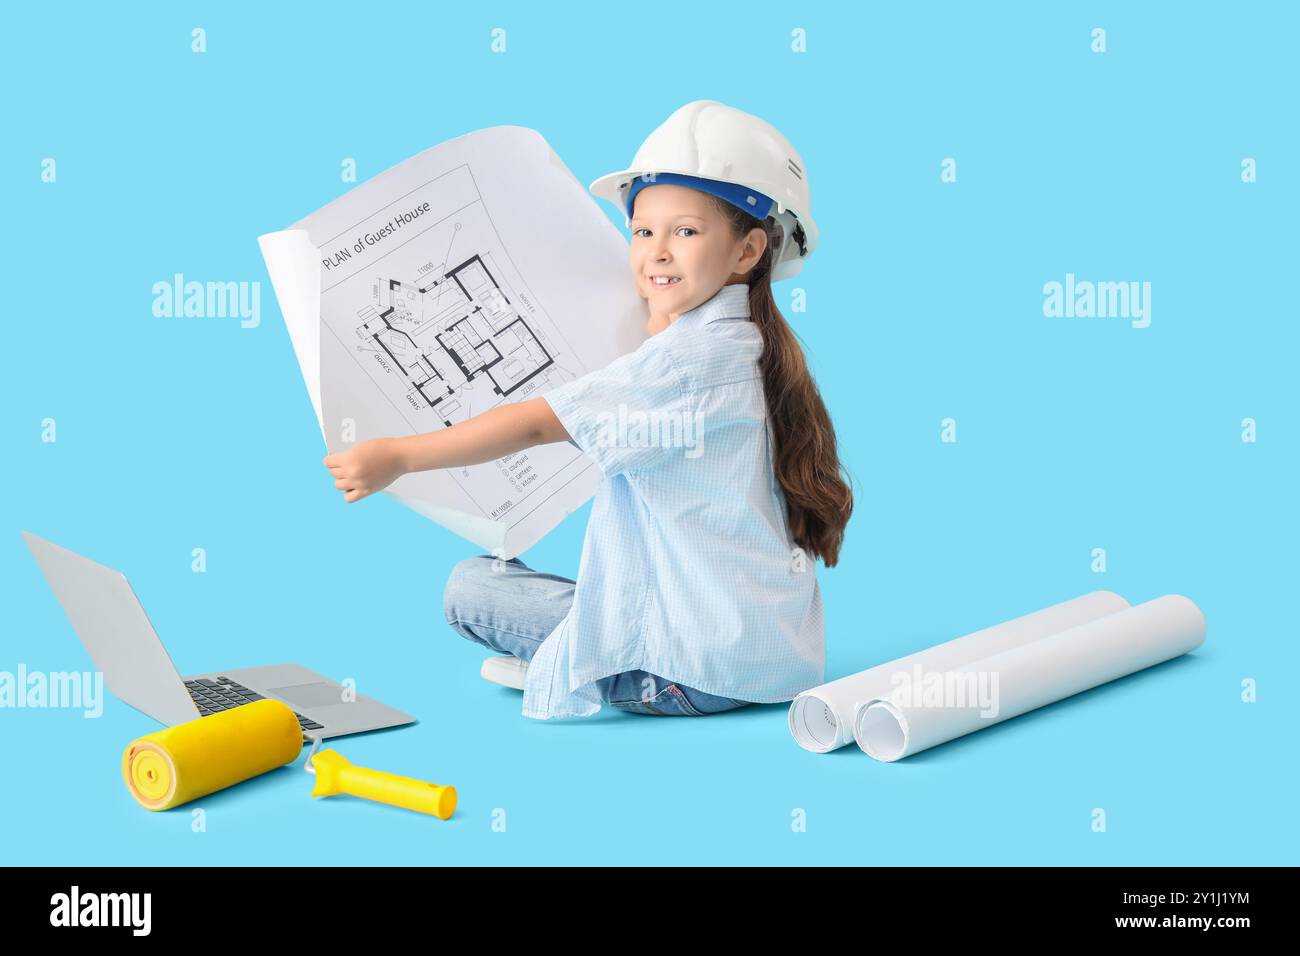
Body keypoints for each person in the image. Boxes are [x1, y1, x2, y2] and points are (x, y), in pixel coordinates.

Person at [322, 100, 853, 719]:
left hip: (684, 674)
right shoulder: (743, 346)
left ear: (747, 251)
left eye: (684, 232)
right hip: (769, 660)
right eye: (643, 231)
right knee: (567, 583)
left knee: (472, 587)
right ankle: (577, 653)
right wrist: (661, 315)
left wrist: (399, 457)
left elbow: (538, 422)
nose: (656, 251)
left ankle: (580, 668)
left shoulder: (681, 364)